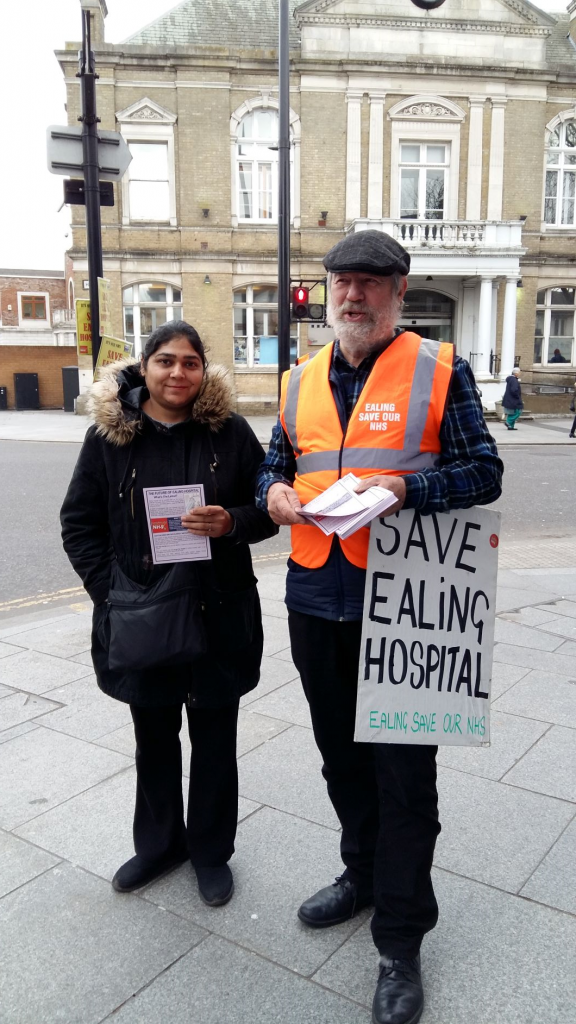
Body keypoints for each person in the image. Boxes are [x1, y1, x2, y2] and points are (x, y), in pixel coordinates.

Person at [257, 231, 503, 1024]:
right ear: (328, 290)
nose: (353, 295)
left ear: (399, 292)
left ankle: (400, 940)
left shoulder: (439, 369)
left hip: (402, 611)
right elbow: (275, 463)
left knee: (405, 781)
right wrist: (272, 494)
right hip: (314, 599)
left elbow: (483, 471)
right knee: (341, 762)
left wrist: (407, 489)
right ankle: (360, 874)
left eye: (370, 282)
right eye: (342, 282)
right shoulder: (299, 379)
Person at [61, 321, 276, 905]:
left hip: (218, 612)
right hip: (142, 615)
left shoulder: (230, 433)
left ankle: (210, 851)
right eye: (165, 361)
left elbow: (267, 509)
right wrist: (111, 592)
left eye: (190, 362)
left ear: (203, 370)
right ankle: (159, 846)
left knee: (215, 742)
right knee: (153, 740)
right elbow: (79, 525)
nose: (177, 372)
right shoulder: (110, 439)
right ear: (145, 367)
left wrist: (231, 522)